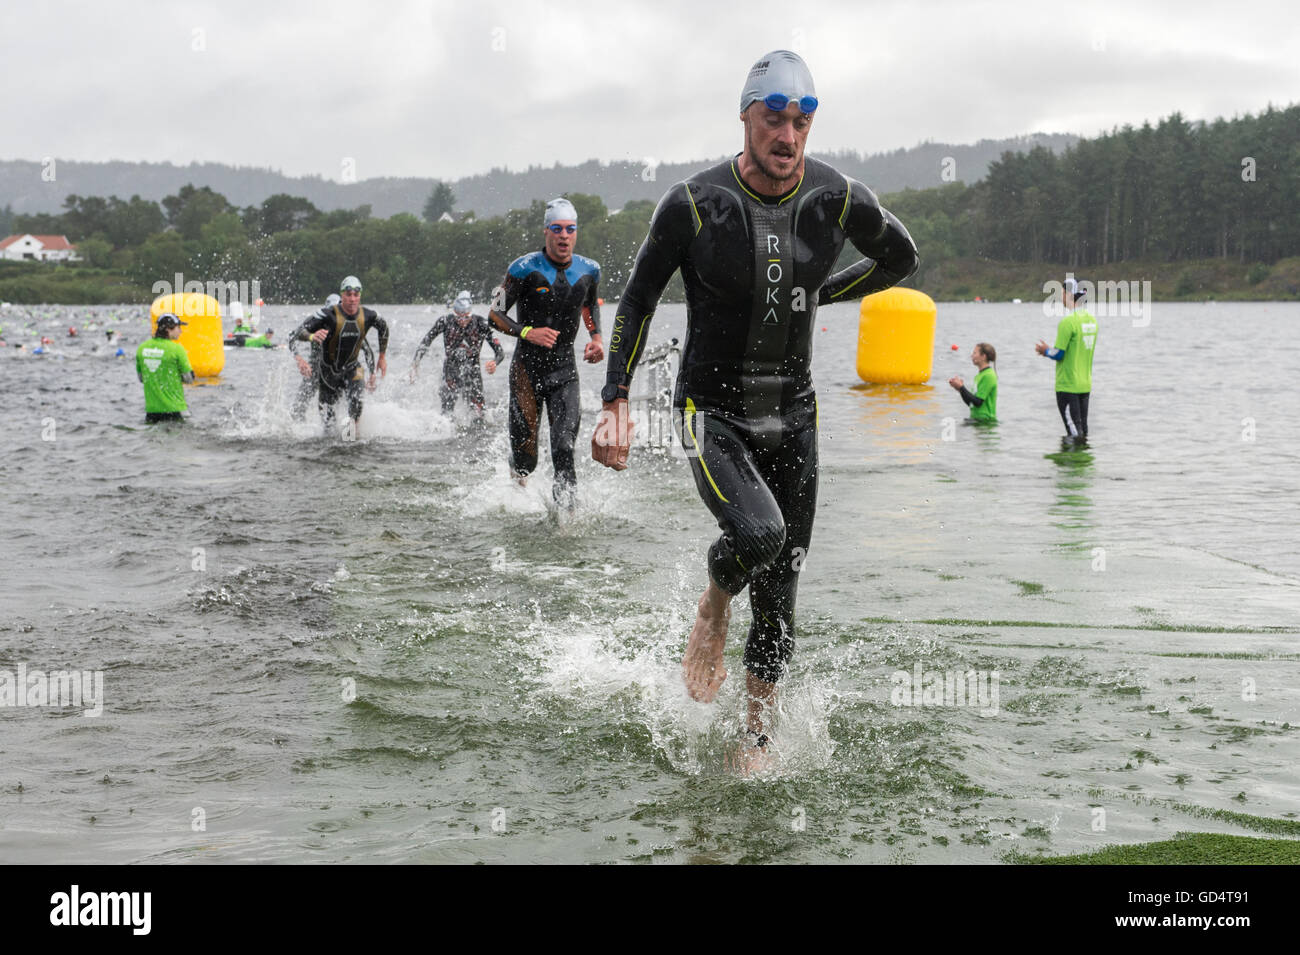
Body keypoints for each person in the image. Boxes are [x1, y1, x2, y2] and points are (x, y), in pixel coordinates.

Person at [591, 50, 918, 769]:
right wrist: (615, 399)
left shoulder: (837, 198)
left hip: (795, 415)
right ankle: (713, 604)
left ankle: (756, 733)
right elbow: (640, 298)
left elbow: (900, 259)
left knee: (782, 580)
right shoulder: (693, 204)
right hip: (713, 412)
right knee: (758, 530)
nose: (789, 136)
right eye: (775, 118)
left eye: (802, 121)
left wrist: (829, 291)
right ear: (746, 116)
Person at [489, 198, 604, 507]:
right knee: (527, 460)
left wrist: (596, 338)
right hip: (527, 370)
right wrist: (528, 332)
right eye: (557, 228)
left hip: (565, 371)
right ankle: (517, 472)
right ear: (546, 232)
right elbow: (494, 315)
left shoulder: (590, 270)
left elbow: (589, 305)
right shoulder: (522, 268)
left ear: (576, 233)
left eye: (570, 229)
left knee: (564, 446)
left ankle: (565, 517)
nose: (563, 235)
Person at [287, 276, 388, 435]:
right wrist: (300, 359)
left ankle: (352, 438)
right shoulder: (322, 320)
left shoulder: (357, 320)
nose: (351, 300)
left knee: (355, 402)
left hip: (349, 368)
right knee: (322, 418)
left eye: (356, 295)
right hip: (318, 371)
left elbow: (367, 349)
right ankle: (298, 429)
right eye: (348, 295)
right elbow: (294, 335)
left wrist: (374, 371)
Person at [412, 290, 504, 418]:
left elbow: (499, 351)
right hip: (450, 371)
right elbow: (426, 342)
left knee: (479, 415)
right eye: (458, 317)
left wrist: (495, 362)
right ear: (454, 313)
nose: (462, 321)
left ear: (471, 313)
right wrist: (415, 364)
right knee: (446, 414)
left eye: (466, 316)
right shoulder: (445, 321)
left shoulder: (481, 323)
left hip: (473, 373)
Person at [1035, 277, 1097, 440]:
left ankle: (1068, 464)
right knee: (1083, 430)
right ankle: (1082, 463)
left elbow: (1059, 354)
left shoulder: (1068, 322)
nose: (1061, 297)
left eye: (1062, 293)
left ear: (1069, 294)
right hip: (1085, 384)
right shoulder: (1092, 320)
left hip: (1068, 386)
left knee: (1074, 434)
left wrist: (1046, 350)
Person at [135, 312, 194, 423]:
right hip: (175, 409)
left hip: (152, 411)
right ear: (168, 329)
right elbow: (189, 379)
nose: (181, 331)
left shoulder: (142, 348)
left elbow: (141, 378)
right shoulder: (177, 349)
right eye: (178, 327)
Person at [949, 342, 997, 422]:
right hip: (976, 420)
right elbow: (971, 403)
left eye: (974, 353)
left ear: (983, 356)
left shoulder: (989, 375)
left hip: (985, 422)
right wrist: (960, 389)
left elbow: (978, 402)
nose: (972, 356)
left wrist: (962, 387)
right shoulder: (979, 376)